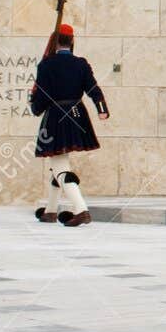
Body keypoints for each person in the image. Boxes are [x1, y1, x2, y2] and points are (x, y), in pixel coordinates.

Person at [30, 23, 109, 226]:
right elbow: (93, 88)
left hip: (56, 115)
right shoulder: (81, 63)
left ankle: (81, 209)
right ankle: (50, 210)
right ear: (72, 41)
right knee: (58, 162)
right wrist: (102, 109)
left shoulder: (46, 65)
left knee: (59, 163)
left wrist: (35, 106)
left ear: (54, 42)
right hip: (77, 113)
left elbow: (42, 95)